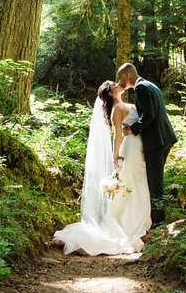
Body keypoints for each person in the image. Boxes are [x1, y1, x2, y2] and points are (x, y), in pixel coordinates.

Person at [51, 79, 151, 255]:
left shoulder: (128, 104)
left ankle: (141, 221)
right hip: (129, 148)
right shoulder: (116, 110)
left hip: (141, 146)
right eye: (113, 84)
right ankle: (129, 224)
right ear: (111, 92)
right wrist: (115, 157)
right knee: (131, 183)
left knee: (140, 182)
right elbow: (117, 136)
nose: (117, 83)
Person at [117, 62, 177, 228]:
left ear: (127, 75)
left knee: (154, 182)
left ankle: (158, 224)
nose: (120, 82)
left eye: (120, 78)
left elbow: (149, 115)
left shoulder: (141, 88)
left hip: (156, 141)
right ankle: (156, 220)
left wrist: (132, 128)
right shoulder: (150, 85)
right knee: (155, 180)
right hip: (164, 138)